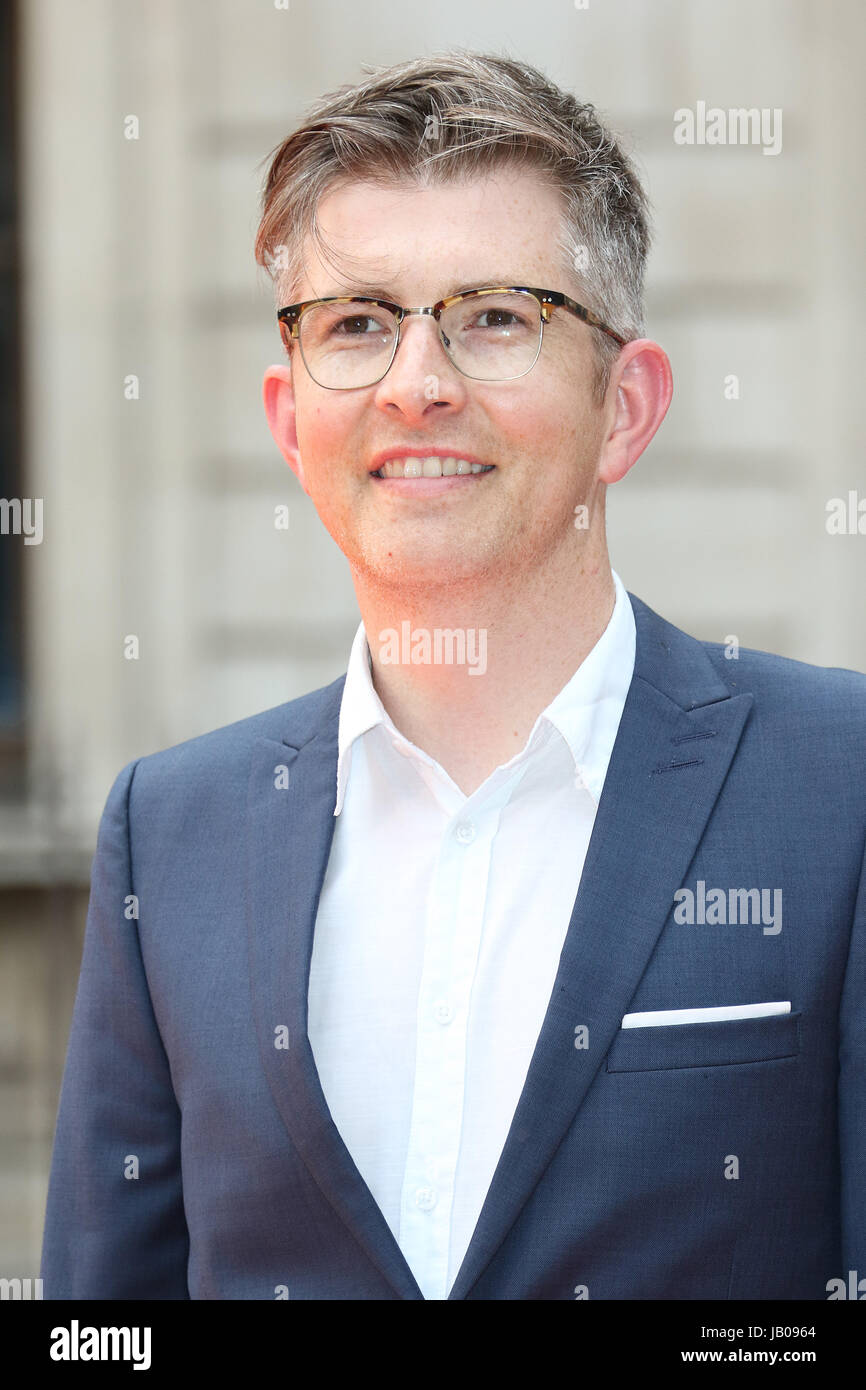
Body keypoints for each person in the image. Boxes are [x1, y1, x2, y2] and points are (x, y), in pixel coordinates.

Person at [41, 50, 865, 1301]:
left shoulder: (837, 785)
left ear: (624, 410)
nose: (416, 385)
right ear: (289, 419)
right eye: (358, 322)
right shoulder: (169, 834)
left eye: (493, 316)